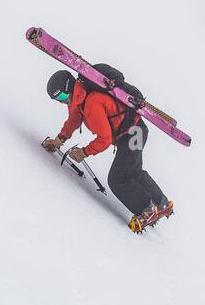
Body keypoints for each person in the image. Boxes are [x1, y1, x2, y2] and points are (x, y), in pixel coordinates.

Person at [43, 70, 173, 231]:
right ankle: (162, 203)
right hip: (135, 131)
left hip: (133, 134)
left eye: (62, 96)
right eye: (57, 100)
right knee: (133, 171)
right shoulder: (79, 99)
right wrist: (59, 140)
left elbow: (104, 139)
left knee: (118, 178)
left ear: (69, 88)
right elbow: (74, 120)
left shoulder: (91, 102)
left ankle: (146, 211)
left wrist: (84, 152)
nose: (62, 102)